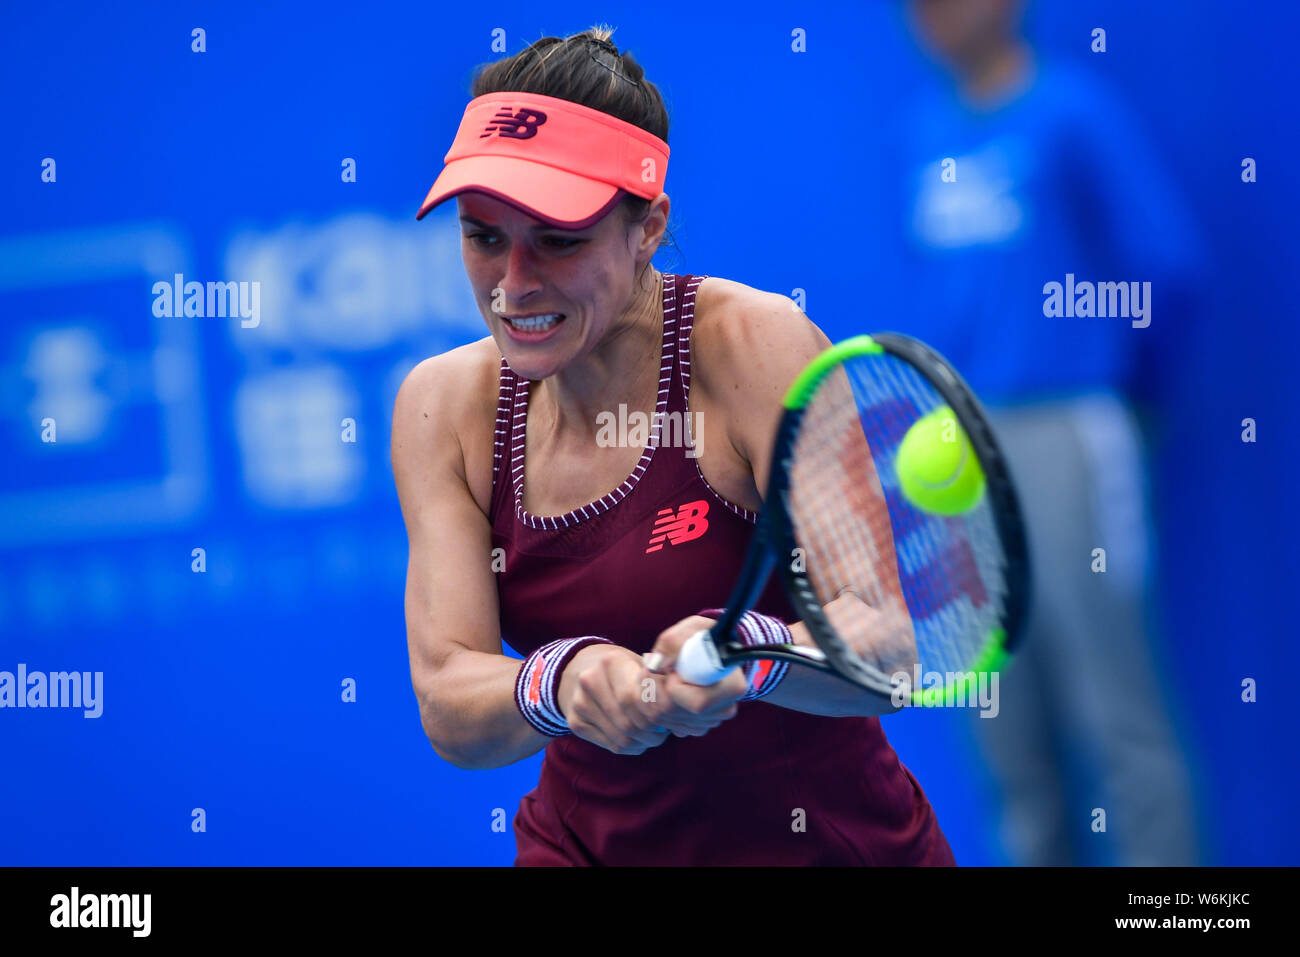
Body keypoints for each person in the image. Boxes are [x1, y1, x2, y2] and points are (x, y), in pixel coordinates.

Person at [392, 25, 955, 865]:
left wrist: (754, 653)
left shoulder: (755, 348)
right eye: (483, 236)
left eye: (559, 238)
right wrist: (566, 679)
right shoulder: (442, 407)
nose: (513, 284)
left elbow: (888, 646)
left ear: (648, 225)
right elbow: (448, 699)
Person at [897, 0, 1203, 864]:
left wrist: (1122, 396)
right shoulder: (921, 131)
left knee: (1118, 713)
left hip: (1067, 426)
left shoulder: (1073, 111)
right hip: (958, 454)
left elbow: (1168, 267)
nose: (929, 14)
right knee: (1002, 725)